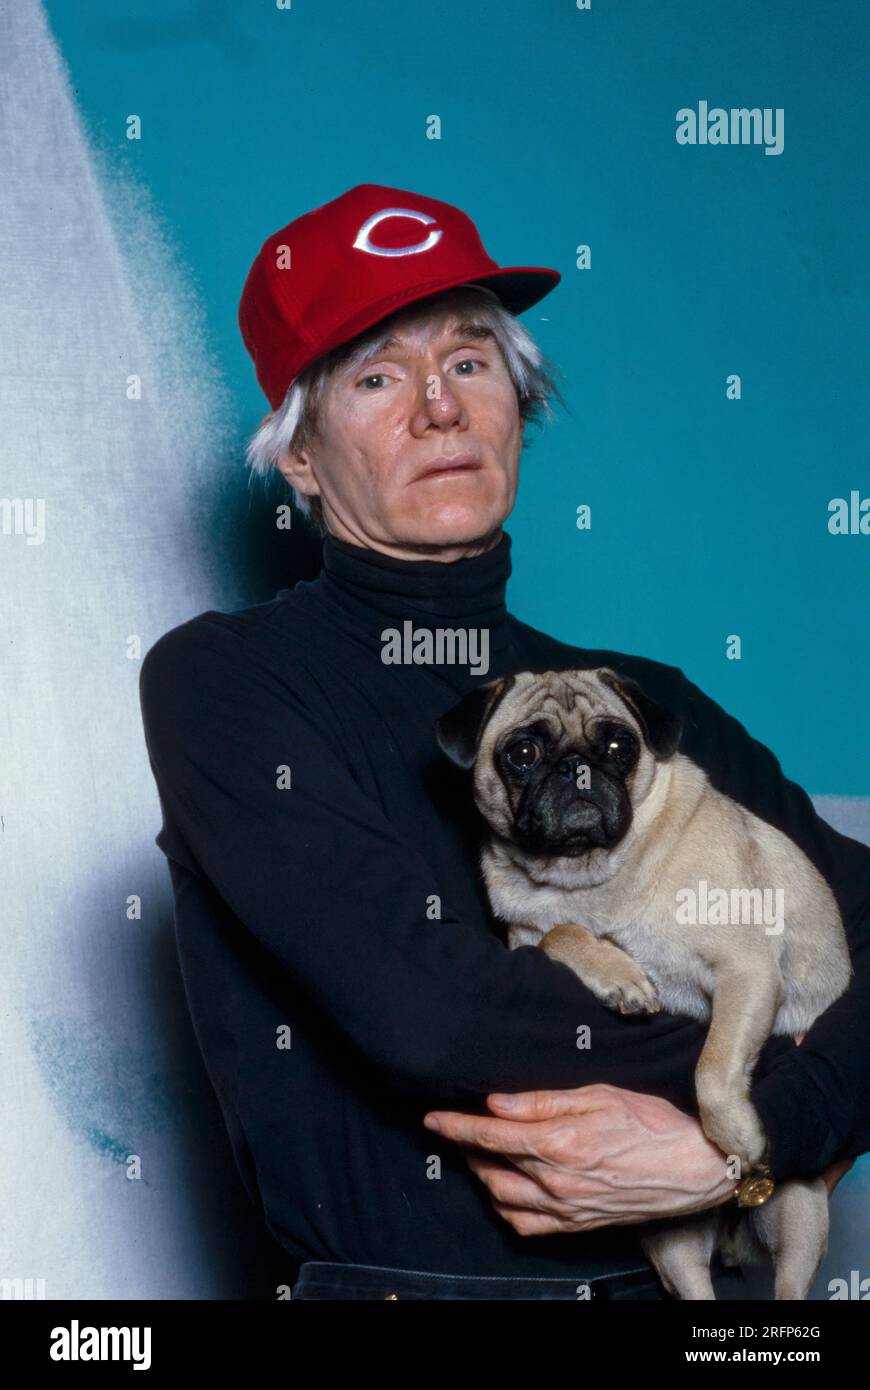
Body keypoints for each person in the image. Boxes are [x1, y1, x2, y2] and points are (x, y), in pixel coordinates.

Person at [139, 183, 867, 1301]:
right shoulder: (228, 685)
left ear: (518, 407)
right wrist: (758, 1089)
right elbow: (435, 1015)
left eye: (470, 362)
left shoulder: (644, 706)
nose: (440, 408)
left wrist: (750, 1138)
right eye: (380, 376)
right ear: (298, 455)